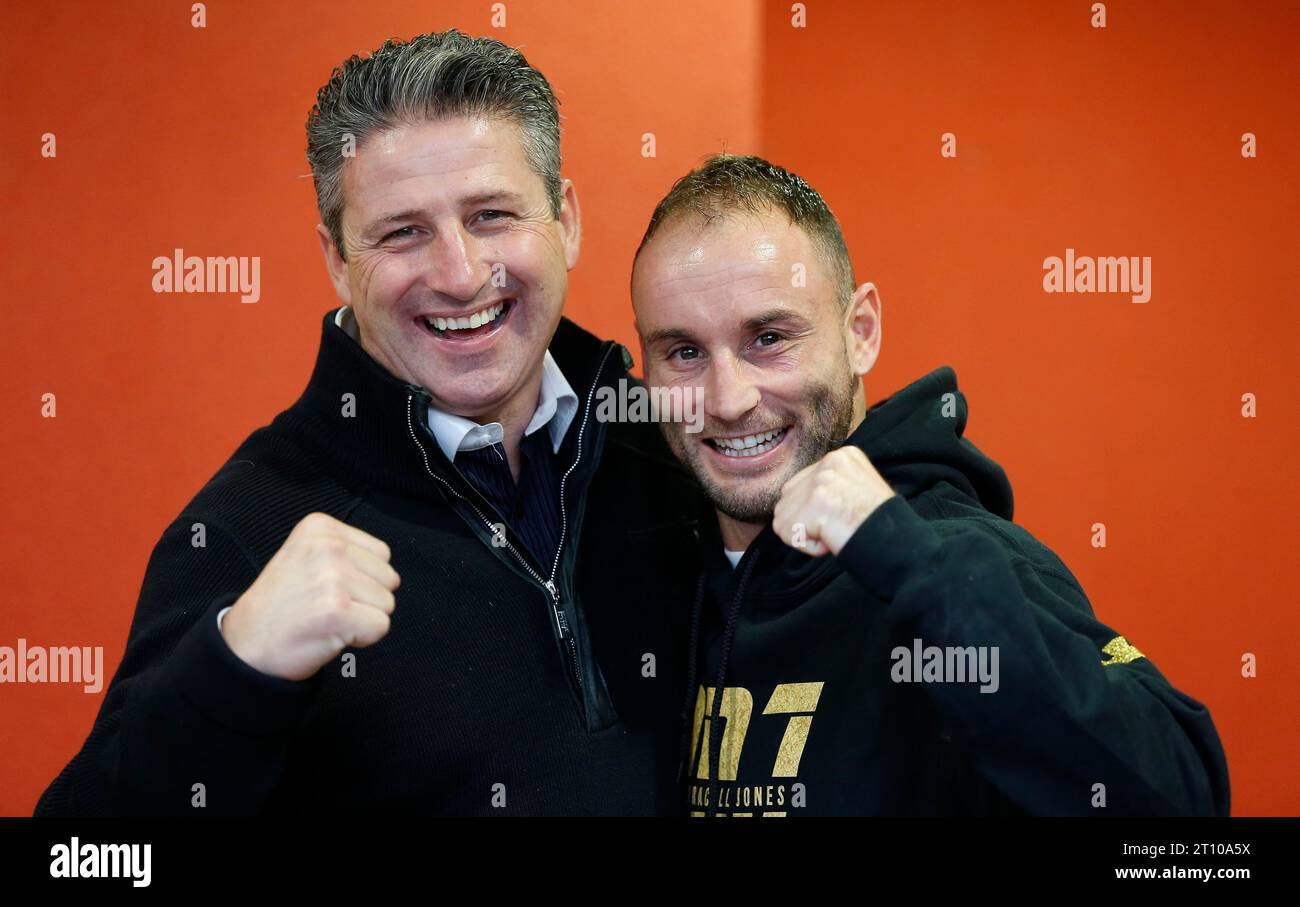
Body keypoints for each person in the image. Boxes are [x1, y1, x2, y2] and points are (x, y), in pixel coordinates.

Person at [35, 30, 702, 816]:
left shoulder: (673, 447)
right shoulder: (251, 530)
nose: (459, 274)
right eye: (402, 232)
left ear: (567, 219)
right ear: (335, 260)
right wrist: (236, 666)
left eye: (491, 215)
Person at [629, 153, 1231, 816]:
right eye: (683, 352)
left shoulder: (958, 554)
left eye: (768, 337)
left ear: (861, 332)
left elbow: (1184, 805)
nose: (729, 397)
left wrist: (899, 551)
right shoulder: (658, 572)